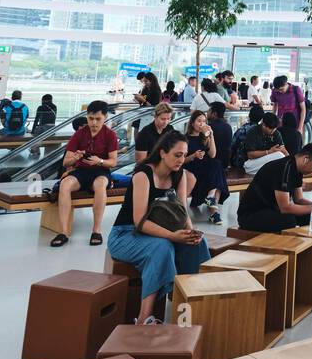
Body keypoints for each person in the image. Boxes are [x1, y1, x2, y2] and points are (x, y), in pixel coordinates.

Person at [106, 129, 210, 324]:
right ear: (163, 153)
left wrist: (190, 232)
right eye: (177, 155)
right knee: (162, 247)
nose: (181, 159)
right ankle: (145, 316)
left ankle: (190, 303)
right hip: (126, 234)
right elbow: (140, 221)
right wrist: (172, 236)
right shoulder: (143, 174)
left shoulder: (180, 176)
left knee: (197, 244)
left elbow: (183, 212)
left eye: (184, 155)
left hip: (160, 233)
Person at [51, 100, 119, 248]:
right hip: (81, 171)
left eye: (98, 119)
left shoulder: (110, 135)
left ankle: (96, 230)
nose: (93, 122)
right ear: (87, 117)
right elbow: (66, 162)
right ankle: (63, 232)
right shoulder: (80, 134)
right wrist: (74, 158)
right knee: (65, 184)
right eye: (90, 118)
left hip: (100, 171)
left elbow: (113, 162)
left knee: (100, 185)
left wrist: (99, 161)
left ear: (105, 117)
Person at [237, 143, 312, 233]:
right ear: (305, 159)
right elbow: (285, 207)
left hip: (271, 210)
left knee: (308, 215)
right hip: (251, 214)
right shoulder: (284, 168)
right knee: (288, 220)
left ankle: (305, 245)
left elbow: (299, 199)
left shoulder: (296, 169)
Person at [184, 109, 228, 224]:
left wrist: (211, 136)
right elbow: (181, 161)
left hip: (205, 168)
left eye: (204, 121)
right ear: (192, 123)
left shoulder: (204, 138)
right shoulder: (185, 139)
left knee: (217, 164)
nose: (202, 124)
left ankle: (211, 201)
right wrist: (193, 155)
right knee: (217, 173)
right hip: (192, 168)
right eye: (199, 121)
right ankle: (213, 209)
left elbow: (212, 155)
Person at [235, 110, 286, 175]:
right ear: (264, 125)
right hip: (251, 164)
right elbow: (250, 155)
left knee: (283, 157)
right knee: (280, 155)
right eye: (271, 128)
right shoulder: (253, 132)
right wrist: (269, 152)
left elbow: (283, 150)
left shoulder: (276, 133)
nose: (273, 131)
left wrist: (291, 162)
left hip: (265, 164)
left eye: (275, 128)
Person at [207, 99, 233, 168]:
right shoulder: (228, 127)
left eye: (209, 110)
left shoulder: (210, 128)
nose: (207, 112)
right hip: (224, 163)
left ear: (214, 113)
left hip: (212, 163)